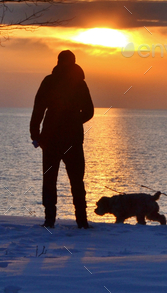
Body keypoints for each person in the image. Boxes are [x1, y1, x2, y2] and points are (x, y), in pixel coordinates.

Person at [30, 50, 94, 229]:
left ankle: (50, 220)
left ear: (58, 62)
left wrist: (35, 134)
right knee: (76, 180)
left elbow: (38, 109)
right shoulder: (79, 84)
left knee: (50, 180)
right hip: (70, 139)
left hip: (51, 139)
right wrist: (74, 120)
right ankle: (81, 221)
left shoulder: (50, 81)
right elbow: (89, 111)